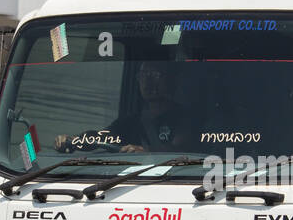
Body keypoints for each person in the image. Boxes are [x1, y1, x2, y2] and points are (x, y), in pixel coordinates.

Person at [54, 61, 191, 153]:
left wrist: (146, 152)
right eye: (143, 75)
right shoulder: (131, 121)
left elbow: (179, 150)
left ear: (171, 80)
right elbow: (102, 137)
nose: (147, 81)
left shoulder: (184, 118)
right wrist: (74, 140)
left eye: (154, 75)